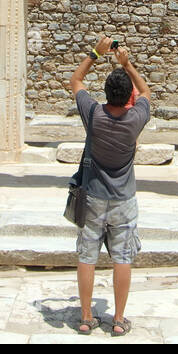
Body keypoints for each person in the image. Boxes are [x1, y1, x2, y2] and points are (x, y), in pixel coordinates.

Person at [67, 34, 152, 336]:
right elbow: (146, 91)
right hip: (123, 199)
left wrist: (94, 53)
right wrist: (127, 64)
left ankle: (86, 317)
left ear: (104, 93)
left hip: (92, 198)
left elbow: (76, 80)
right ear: (127, 96)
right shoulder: (136, 119)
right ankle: (118, 319)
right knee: (123, 258)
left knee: (87, 256)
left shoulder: (93, 115)